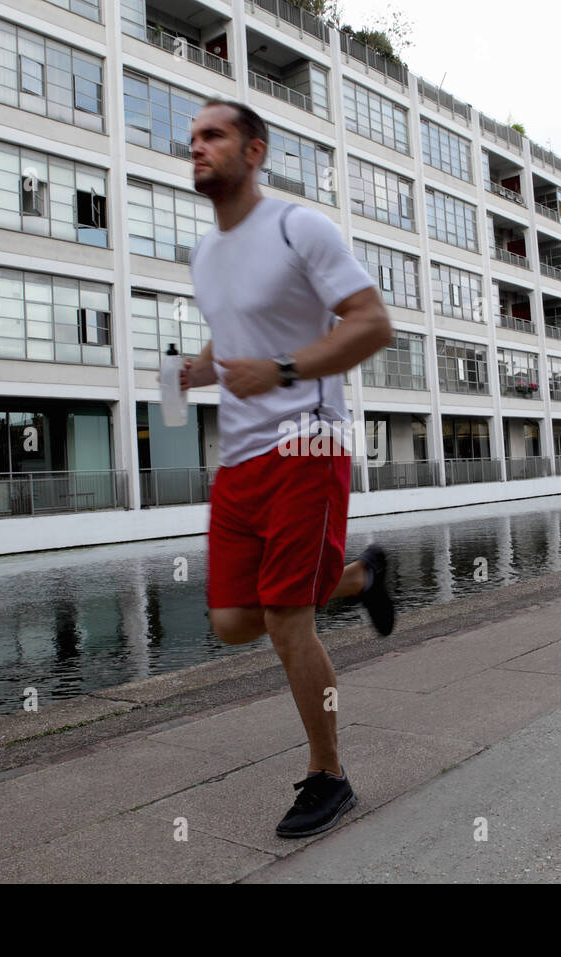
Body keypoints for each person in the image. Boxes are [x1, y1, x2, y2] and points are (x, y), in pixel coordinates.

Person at [180, 99, 396, 839]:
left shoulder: (298, 227)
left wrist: (280, 369)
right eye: (194, 138)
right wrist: (198, 370)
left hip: (308, 443)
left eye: (214, 135)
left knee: (284, 618)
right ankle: (364, 577)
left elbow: (372, 324)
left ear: (255, 150)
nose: (197, 147)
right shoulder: (203, 254)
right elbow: (236, 339)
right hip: (239, 460)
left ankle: (330, 774)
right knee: (232, 619)